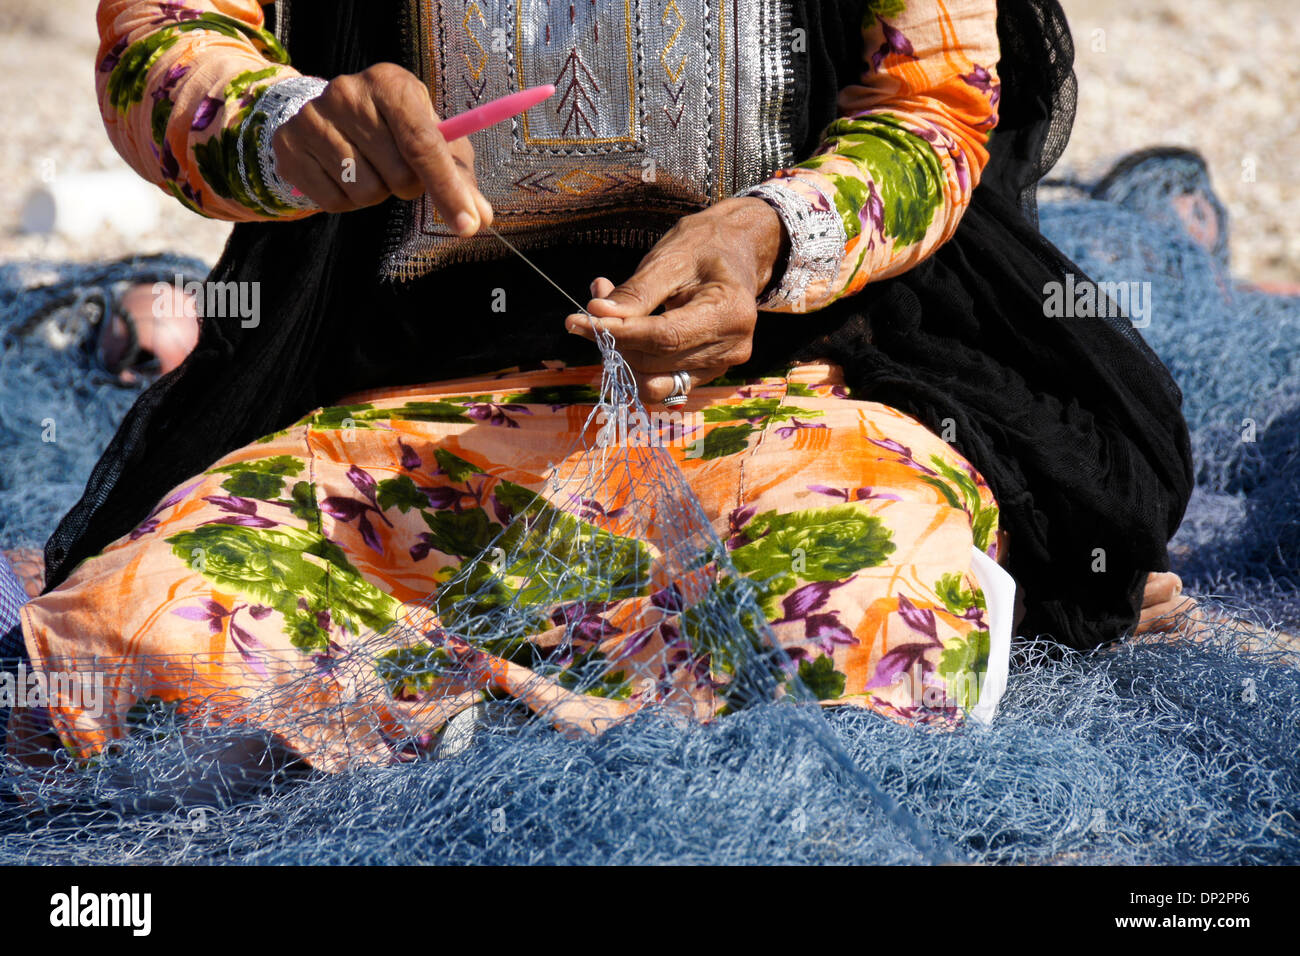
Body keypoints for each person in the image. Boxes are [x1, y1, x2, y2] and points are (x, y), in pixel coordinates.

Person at [4, 0, 1194, 769]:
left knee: (865, 621)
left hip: (787, 407)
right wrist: (283, 120)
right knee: (120, 646)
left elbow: (930, 104)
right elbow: (166, 38)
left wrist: (766, 237)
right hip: (414, 417)